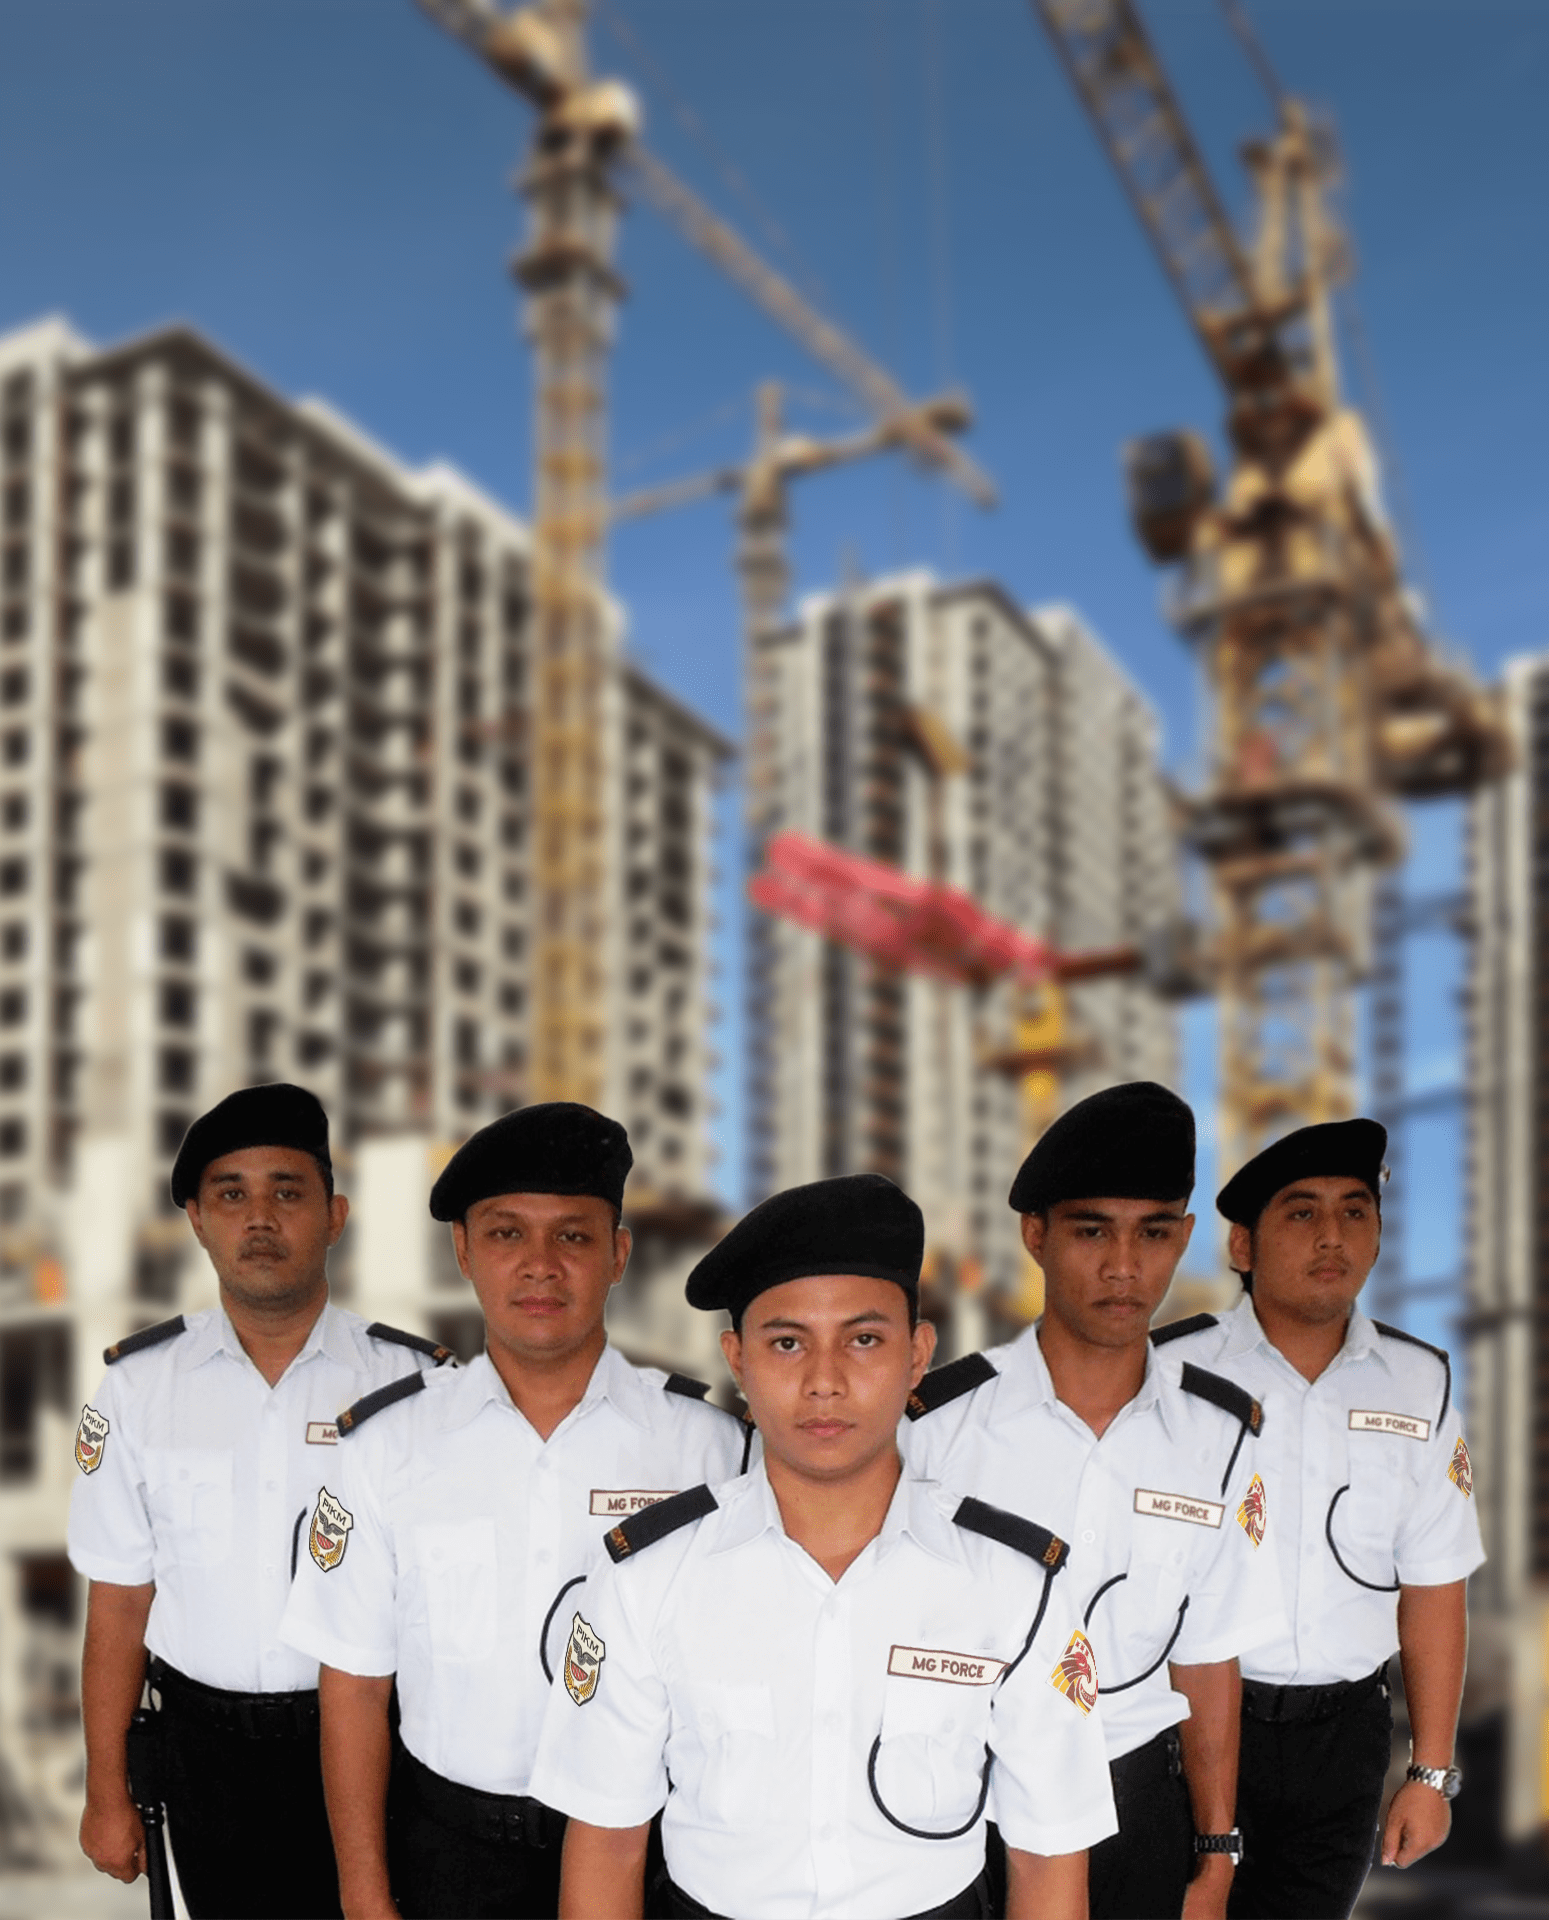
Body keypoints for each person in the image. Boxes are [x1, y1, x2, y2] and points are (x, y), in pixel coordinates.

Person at [529, 1171, 1118, 1920]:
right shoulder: (647, 1576)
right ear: (737, 1360)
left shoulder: (1014, 1582)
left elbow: (1048, 1857)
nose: (824, 1382)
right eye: (787, 1343)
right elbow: (608, 1843)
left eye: (864, 1340)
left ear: (917, 1354)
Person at [281, 1101, 749, 1920]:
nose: (540, 1265)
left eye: (572, 1236)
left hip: (648, 1851)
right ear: (463, 1252)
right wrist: (363, 1890)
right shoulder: (385, 1446)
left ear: (617, 1255)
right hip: (451, 1856)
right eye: (506, 1234)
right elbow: (353, 1684)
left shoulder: (708, 1449)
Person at [68, 1082, 453, 1920]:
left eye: (287, 1191)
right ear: (198, 1221)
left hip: (378, 1745)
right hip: (205, 1758)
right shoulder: (138, 1388)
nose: (260, 1218)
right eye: (231, 1195)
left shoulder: (416, 1384)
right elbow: (119, 1599)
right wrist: (105, 1790)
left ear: (335, 1215)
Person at [903, 1082, 1285, 1920]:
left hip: (1133, 1801)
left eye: (1153, 1232)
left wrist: (1216, 1849)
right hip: (959, 1799)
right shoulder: (932, 1427)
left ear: (1183, 1237)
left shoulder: (1219, 1438)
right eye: (1091, 1231)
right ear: (1034, 1235)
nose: (1123, 1266)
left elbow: (1207, 1655)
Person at [1159, 1118, 1485, 1919]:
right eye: (1301, 1212)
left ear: (1375, 1237)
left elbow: (1434, 1580)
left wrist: (1429, 1774)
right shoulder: (1165, 1373)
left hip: (1341, 1742)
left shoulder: (1417, 1383)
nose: (1331, 1235)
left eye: (1354, 1211)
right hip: (1186, 1728)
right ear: (1242, 1247)